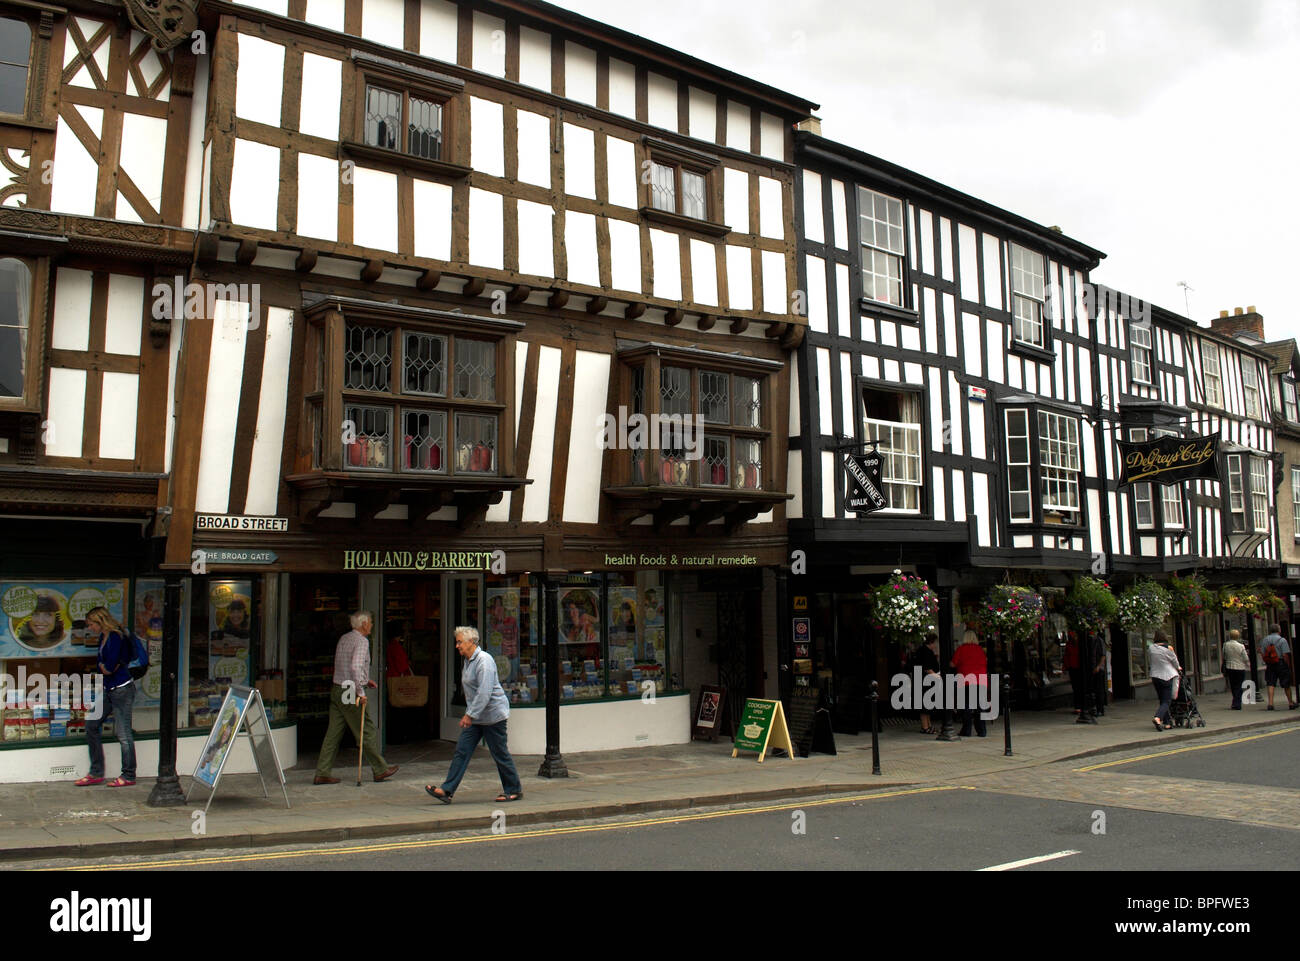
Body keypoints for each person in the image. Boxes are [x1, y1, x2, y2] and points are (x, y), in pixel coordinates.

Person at [425, 626, 523, 804]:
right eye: (457, 642)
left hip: (493, 717)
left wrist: (469, 715)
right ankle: (447, 790)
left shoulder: (484, 661)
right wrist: (472, 715)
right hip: (478, 717)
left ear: (471, 642)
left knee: (499, 753)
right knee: (461, 751)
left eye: (460, 642)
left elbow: (484, 692)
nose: (457, 646)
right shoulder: (469, 660)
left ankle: (514, 789)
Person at [314, 610, 399, 784]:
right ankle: (380, 769)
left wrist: (365, 680)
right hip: (349, 689)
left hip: (338, 687)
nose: (372, 625)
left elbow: (345, 666)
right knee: (365, 729)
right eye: (371, 622)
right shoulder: (362, 641)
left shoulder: (344, 638)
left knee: (333, 732)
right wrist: (360, 691)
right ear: (364, 624)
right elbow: (355, 667)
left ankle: (322, 771)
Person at [75, 606, 136, 787]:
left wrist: (105, 667)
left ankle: (129, 775)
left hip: (122, 689)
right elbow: (100, 663)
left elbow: (110, 665)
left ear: (99, 621)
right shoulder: (103, 637)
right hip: (109, 688)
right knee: (91, 724)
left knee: (124, 734)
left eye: (91, 624)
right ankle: (96, 772)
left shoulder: (116, 636)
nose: (90, 628)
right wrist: (104, 666)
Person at [951, 629, 988, 737]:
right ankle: (982, 731)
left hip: (966, 680)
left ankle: (966, 730)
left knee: (966, 706)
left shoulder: (961, 649)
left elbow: (953, 664)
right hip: (981, 680)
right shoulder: (980, 649)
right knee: (980, 707)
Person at [1148, 630, 1181, 732]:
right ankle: (1158, 718)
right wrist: (1178, 668)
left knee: (1162, 699)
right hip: (1167, 676)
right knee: (1167, 701)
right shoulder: (1169, 648)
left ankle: (1167, 723)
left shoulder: (1151, 648)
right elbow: (1175, 661)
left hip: (1155, 676)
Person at [1258, 624, 1297, 711]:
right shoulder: (1282, 640)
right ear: (1279, 630)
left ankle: (1270, 704)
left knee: (1271, 683)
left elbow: (1262, 652)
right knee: (1286, 683)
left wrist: (1266, 660)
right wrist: (1287, 664)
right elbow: (1285, 654)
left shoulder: (1265, 640)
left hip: (1270, 664)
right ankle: (1290, 703)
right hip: (1281, 663)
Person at [917, 634, 941, 734]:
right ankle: (925, 726)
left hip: (926, 681)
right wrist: (937, 676)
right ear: (931, 642)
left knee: (927, 704)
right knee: (925, 704)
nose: (936, 645)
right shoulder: (925, 652)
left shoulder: (926, 651)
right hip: (925, 681)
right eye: (935, 642)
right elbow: (927, 668)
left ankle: (928, 725)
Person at [1222, 629, 1248, 710]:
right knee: (1239, 686)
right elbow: (1245, 658)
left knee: (1233, 685)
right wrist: (1247, 663)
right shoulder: (1241, 646)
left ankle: (1235, 701)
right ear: (1238, 636)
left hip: (1230, 667)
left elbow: (1224, 656)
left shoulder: (1226, 645)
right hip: (1240, 668)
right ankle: (1237, 703)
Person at [1063, 631, 1085, 715]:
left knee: (1080, 687)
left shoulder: (1080, 644)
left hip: (1079, 668)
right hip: (1073, 668)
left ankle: (1081, 706)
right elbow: (1066, 656)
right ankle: (1078, 706)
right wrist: (1066, 667)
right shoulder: (1070, 644)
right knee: (1076, 688)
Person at [1088, 632, 1108, 717]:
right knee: (1093, 689)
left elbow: (1103, 655)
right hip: (1091, 668)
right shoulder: (1089, 641)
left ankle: (1100, 709)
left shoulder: (1099, 641)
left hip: (1099, 669)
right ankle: (1094, 708)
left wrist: (1098, 666)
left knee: (1099, 690)